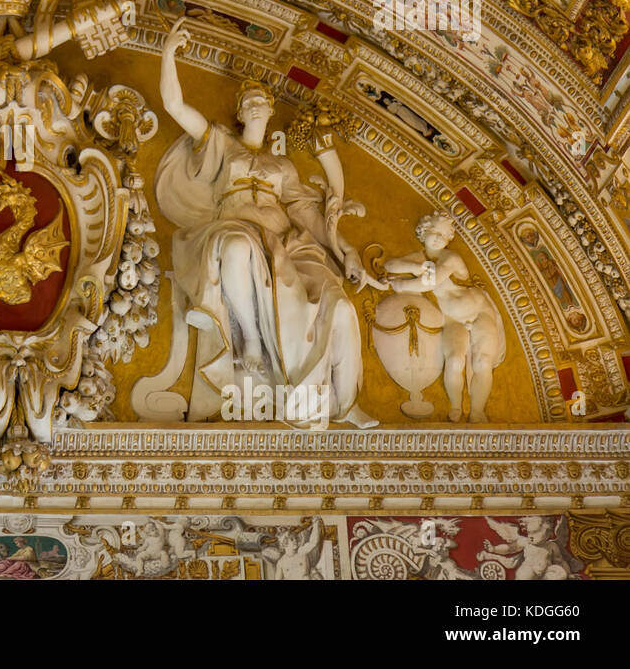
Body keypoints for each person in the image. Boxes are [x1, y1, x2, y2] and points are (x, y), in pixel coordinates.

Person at [155, 24, 376, 427]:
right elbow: (173, 104)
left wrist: (345, 249)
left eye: (262, 100)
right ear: (239, 114)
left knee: (337, 305)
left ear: (271, 111)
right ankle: (252, 341)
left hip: (285, 242)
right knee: (236, 247)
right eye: (250, 101)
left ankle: (341, 403)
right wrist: (168, 53)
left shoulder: (283, 167)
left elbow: (307, 214)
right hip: (234, 228)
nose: (257, 105)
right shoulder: (220, 142)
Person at [382, 213, 505, 422]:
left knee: (483, 362)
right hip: (452, 320)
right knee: (455, 360)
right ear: (423, 233)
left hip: (480, 312)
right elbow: (390, 266)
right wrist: (415, 267)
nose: (438, 238)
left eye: (442, 234)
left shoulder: (451, 258)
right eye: (433, 232)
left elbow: (429, 282)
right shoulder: (420, 258)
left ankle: (477, 411)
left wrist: (401, 285)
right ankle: (456, 407)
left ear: (449, 238)